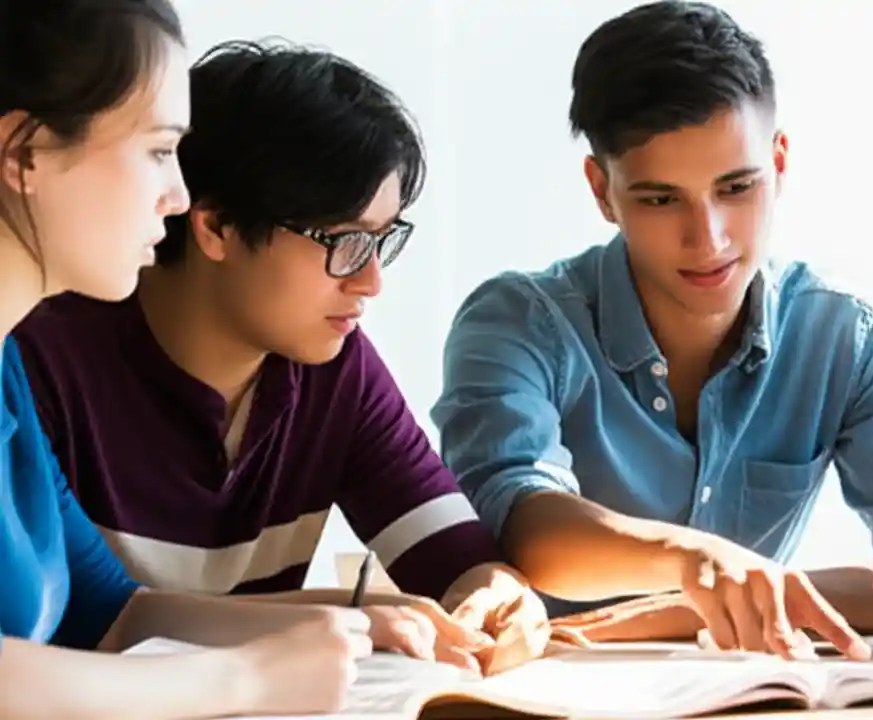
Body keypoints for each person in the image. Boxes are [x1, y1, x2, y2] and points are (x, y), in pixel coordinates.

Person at [432, 0, 873, 657]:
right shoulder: (517, 323)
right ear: (601, 190)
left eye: (736, 188)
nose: (709, 239)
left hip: (756, 694)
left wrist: (736, 598)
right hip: (541, 691)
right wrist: (698, 564)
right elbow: (519, 521)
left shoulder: (846, 336)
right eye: (660, 199)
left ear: (779, 164)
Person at [13, 38, 548, 675]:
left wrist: (495, 593)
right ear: (216, 227)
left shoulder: (335, 367)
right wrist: (343, 619)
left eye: (383, 241)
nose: (371, 281)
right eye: (345, 242)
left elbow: (455, 558)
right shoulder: (38, 360)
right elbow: (94, 622)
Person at [0, 1, 389, 717]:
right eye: (157, 151)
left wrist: (346, 621)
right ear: (24, 154)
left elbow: (112, 610)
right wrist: (248, 678)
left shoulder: (7, 372)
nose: (179, 197)